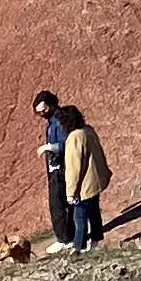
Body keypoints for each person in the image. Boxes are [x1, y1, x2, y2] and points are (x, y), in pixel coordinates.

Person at [57, 104, 111, 252]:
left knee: (79, 218)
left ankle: (78, 248)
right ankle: (96, 241)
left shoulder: (74, 137)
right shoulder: (88, 130)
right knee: (94, 213)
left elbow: (74, 168)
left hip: (83, 186)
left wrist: (70, 192)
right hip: (95, 182)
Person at [33, 90, 72, 249]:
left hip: (60, 167)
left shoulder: (60, 121)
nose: (42, 114)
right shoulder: (52, 122)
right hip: (55, 167)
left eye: (44, 111)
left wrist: (48, 147)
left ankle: (64, 239)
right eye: (39, 113)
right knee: (62, 202)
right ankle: (69, 236)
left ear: (52, 105)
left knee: (57, 203)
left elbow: (65, 144)